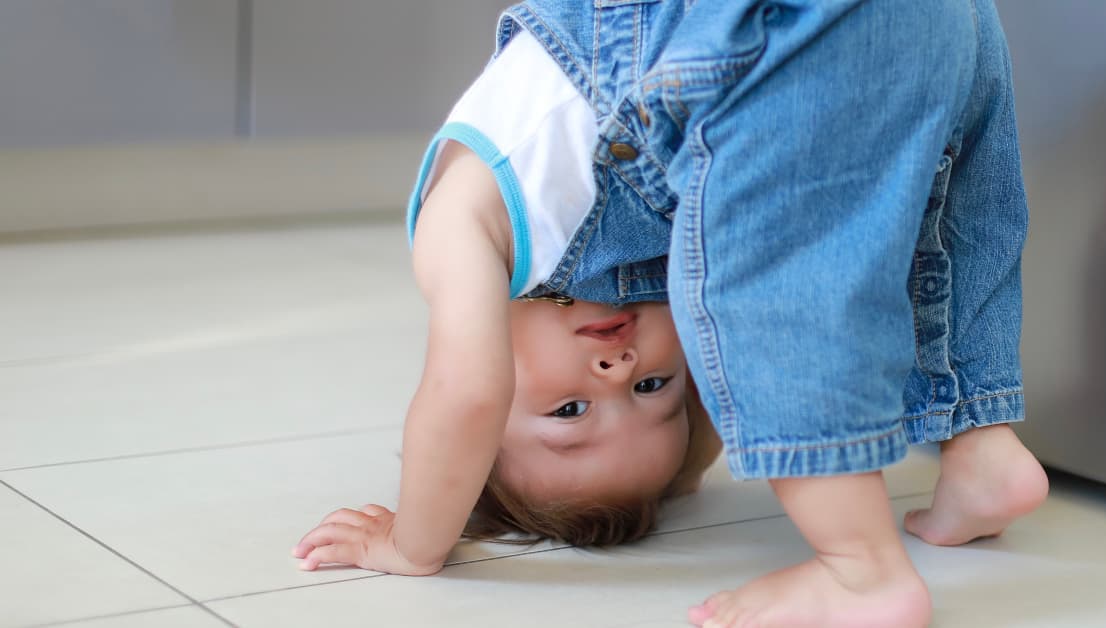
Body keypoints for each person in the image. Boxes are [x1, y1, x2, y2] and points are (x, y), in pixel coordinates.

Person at [294, 1, 1050, 625]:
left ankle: (861, 571)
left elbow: (464, 395)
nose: (618, 369)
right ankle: (979, 439)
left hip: (758, 30)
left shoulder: (456, 223)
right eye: (654, 391)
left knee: (763, 282)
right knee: (942, 222)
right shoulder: (628, 256)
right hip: (943, 27)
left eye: (569, 408)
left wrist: (414, 545)